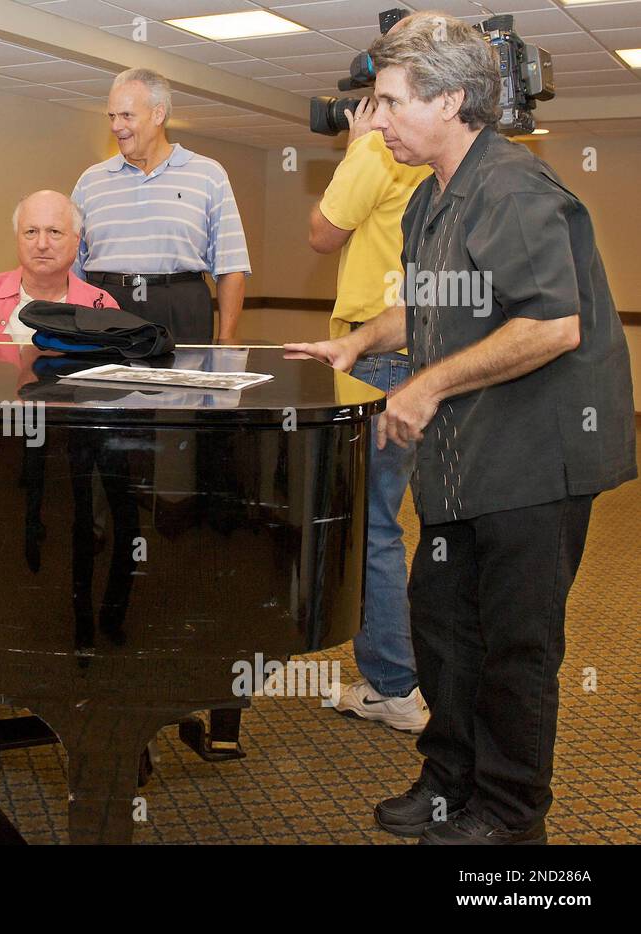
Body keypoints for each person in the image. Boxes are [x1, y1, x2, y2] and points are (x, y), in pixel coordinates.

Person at [285, 11, 636, 845]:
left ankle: (512, 817)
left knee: (516, 647)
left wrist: (427, 386)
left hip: (535, 461)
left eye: (392, 101)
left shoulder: (514, 189)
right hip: (464, 460)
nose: (376, 121)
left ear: (449, 101)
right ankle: (449, 785)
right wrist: (359, 339)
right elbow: (428, 307)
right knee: (444, 628)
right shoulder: (430, 200)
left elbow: (551, 324)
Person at [309, 96, 433, 733]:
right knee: (401, 520)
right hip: (422, 352)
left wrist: (357, 146)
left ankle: (394, 686)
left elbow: (322, 232)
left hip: (378, 357)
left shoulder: (379, 149)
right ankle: (410, 674)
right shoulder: (436, 158)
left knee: (371, 523)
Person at [71, 68, 250, 344]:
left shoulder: (208, 174)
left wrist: (226, 340)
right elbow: (72, 264)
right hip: (106, 306)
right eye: (112, 116)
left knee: (181, 388)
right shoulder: (90, 181)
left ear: (158, 114)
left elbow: (231, 266)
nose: (116, 126)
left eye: (127, 115)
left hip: (180, 306)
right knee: (101, 387)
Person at [0, 190, 118, 343]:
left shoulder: (100, 306)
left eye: (54, 232)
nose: (42, 244)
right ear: (17, 238)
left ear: (76, 240)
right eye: (31, 232)